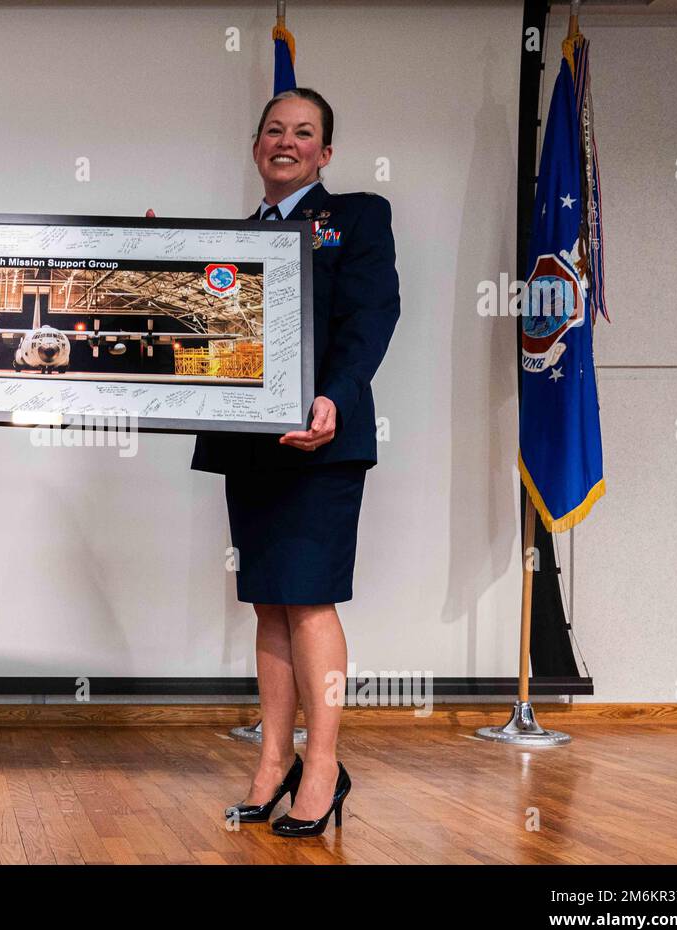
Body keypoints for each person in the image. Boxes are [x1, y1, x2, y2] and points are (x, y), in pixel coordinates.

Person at [192, 88, 400, 837]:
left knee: (311, 600)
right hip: (252, 448)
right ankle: (273, 759)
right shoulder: (234, 236)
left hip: (321, 441)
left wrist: (336, 399)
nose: (287, 141)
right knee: (270, 601)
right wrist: (165, 270)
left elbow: (372, 316)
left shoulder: (358, 218)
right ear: (256, 147)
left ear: (325, 153)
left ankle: (323, 764)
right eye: (274, 130)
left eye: (303, 132)